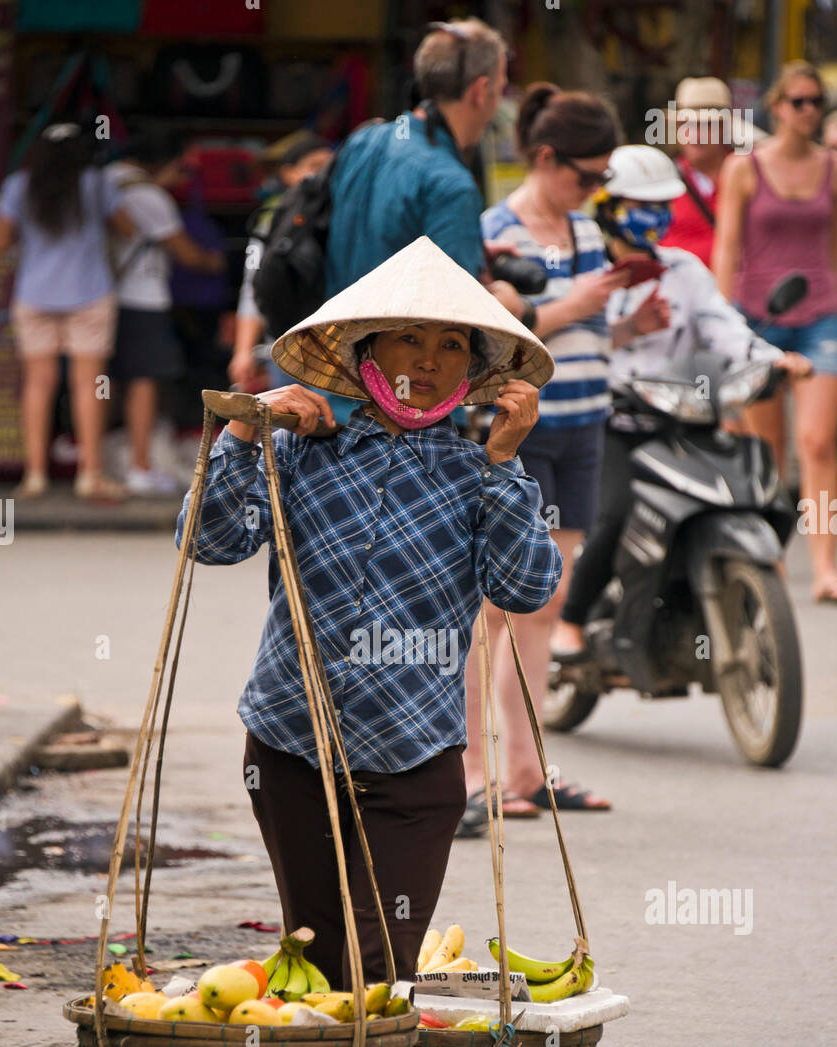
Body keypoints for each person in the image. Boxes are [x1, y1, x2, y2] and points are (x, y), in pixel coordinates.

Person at [174, 236, 559, 1047]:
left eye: (450, 345)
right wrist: (248, 437)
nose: (428, 360)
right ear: (366, 351)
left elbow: (523, 591)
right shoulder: (305, 446)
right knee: (319, 956)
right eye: (409, 339)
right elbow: (211, 542)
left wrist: (508, 466)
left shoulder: (481, 477)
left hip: (417, 762)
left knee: (383, 969)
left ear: (476, 371)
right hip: (289, 743)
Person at [551, 145, 810, 660]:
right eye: (642, 204)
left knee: (759, 492)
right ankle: (571, 621)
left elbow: (725, 328)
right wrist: (628, 331)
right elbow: (565, 348)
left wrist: (774, 359)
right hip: (611, 424)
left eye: (664, 205)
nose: (657, 217)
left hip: (684, 421)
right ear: (607, 205)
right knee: (616, 511)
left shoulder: (684, 270)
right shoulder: (585, 276)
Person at [460, 83, 624, 823]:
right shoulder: (496, 229)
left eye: (601, 180)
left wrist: (625, 319)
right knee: (489, 605)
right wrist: (573, 306)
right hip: (520, 427)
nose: (590, 191)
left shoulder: (588, 232)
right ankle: (469, 768)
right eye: (583, 176)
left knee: (545, 598)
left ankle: (526, 767)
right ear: (546, 157)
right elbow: (495, 338)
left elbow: (593, 333)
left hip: (586, 422)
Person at [323, 17, 534, 423]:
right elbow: (453, 311)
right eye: (501, 85)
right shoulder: (449, 183)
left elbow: (376, 238)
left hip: (336, 387)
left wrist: (475, 247)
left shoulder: (365, 141)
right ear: (481, 90)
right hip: (408, 411)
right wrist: (510, 302)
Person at [713, 61, 837, 602]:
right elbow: (727, 247)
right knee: (767, 448)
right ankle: (773, 563)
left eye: (818, 103)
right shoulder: (743, 168)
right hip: (757, 320)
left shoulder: (833, 166)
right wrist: (719, 325)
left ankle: (825, 564)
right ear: (778, 106)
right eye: (800, 101)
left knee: (819, 441)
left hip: (822, 318)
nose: (809, 111)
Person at [0, 123, 134, 501]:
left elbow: (0, 240)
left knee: (38, 384)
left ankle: (34, 475)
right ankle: (91, 475)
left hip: (35, 294)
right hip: (89, 293)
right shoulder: (97, 182)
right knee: (91, 387)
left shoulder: (18, 186)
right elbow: (127, 229)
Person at [106, 127, 227, 495]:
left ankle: (91, 460)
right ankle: (140, 466)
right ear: (164, 163)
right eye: (180, 169)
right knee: (144, 379)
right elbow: (186, 253)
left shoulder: (98, 182)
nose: (180, 179)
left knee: (98, 380)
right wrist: (215, 263)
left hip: (97, 298)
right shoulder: (146, 195)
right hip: (142, 298)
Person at [228, 135, 333, 390]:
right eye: (314, 166)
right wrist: (243, 351)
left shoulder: (339, 214)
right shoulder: (271, 221)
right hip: (286, 347)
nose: (324, 176)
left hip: (336, 348)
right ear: (288, 173)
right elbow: (253, 286)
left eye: (329, 168)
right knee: (286, 424)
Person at [660, 76, 758, 269]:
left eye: (707, 125)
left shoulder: (752, 174)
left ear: (725, 128)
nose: (696, 135)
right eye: (687, 124)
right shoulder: (661, 178)